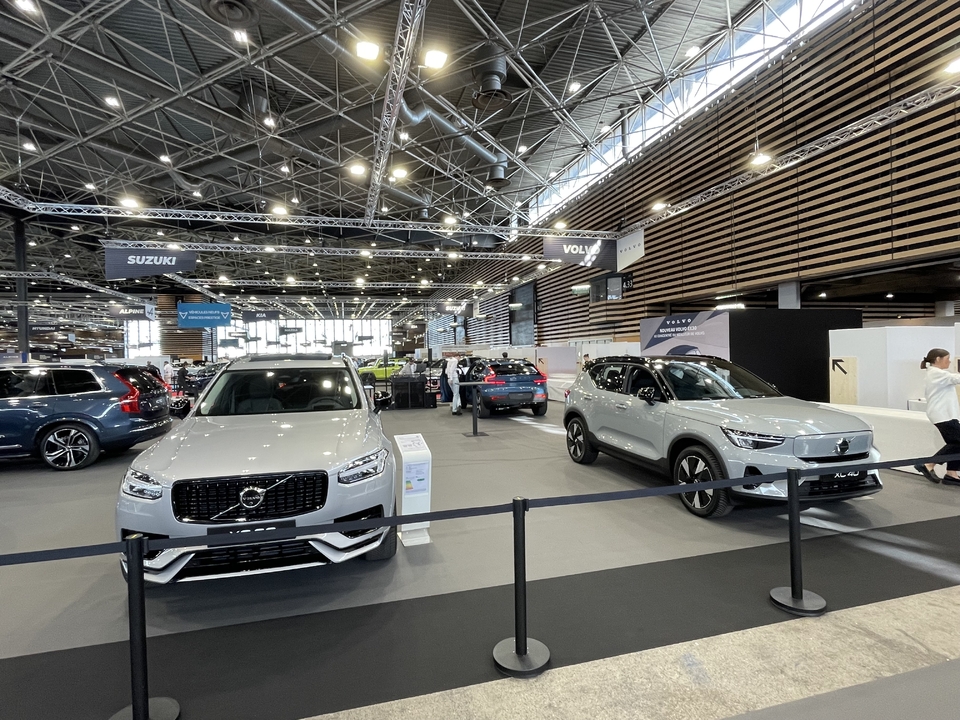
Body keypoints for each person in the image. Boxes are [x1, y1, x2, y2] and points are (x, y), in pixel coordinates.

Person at [916, 348, 960, 485]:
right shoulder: (935, 373)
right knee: (957, 443)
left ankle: (951, 473)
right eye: (947, 358)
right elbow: (956, 378)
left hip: (945, 415)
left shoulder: (938, 374)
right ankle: (928, 464)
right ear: (938, 359)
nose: (950, 361)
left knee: (956, 444)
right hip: (942, 415)